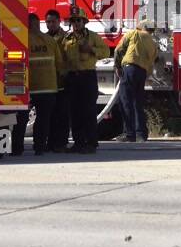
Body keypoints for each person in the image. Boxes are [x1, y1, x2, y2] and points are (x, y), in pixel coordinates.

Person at [60, 8, 109, 154]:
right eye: (72, 21)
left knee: (88, 111)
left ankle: (91, 143)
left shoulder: (92, 37)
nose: (75, 23)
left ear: (84, 22)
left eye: (78, 20)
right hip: (72, 78)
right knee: (74, 112)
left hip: (87, 77)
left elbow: (106, 52)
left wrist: (91, 50)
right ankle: (78, 143)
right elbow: (62, 59)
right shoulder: (67, 39)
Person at [13, 11, 61, 156]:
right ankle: (39, 148)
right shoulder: (50, 41)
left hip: (27, 88)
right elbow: (59, 63)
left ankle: (17, 149)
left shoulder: (21, 40)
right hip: (48, 87)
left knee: (20, 120)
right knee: (43, 120)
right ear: (38, 23)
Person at [114, 18, 158, 142]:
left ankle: (129, 134)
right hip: (142, 73)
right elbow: (152, 62)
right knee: (137, 103)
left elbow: (118, 49)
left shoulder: (134, 33)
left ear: (142, 26)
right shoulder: (153, 43)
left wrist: (117, 66)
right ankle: (141, 134)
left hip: (129, 69)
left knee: (125, 101)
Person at [44, 9, 71, 152]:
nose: (50, 24)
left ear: (59, 21)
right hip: (49, 82)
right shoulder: (44, 38)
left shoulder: (66, 37)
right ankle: (51, 142)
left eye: (53, 21)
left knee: (63, 114)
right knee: (51, 115)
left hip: (63, 81)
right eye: (48, 22)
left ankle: (62, 142)